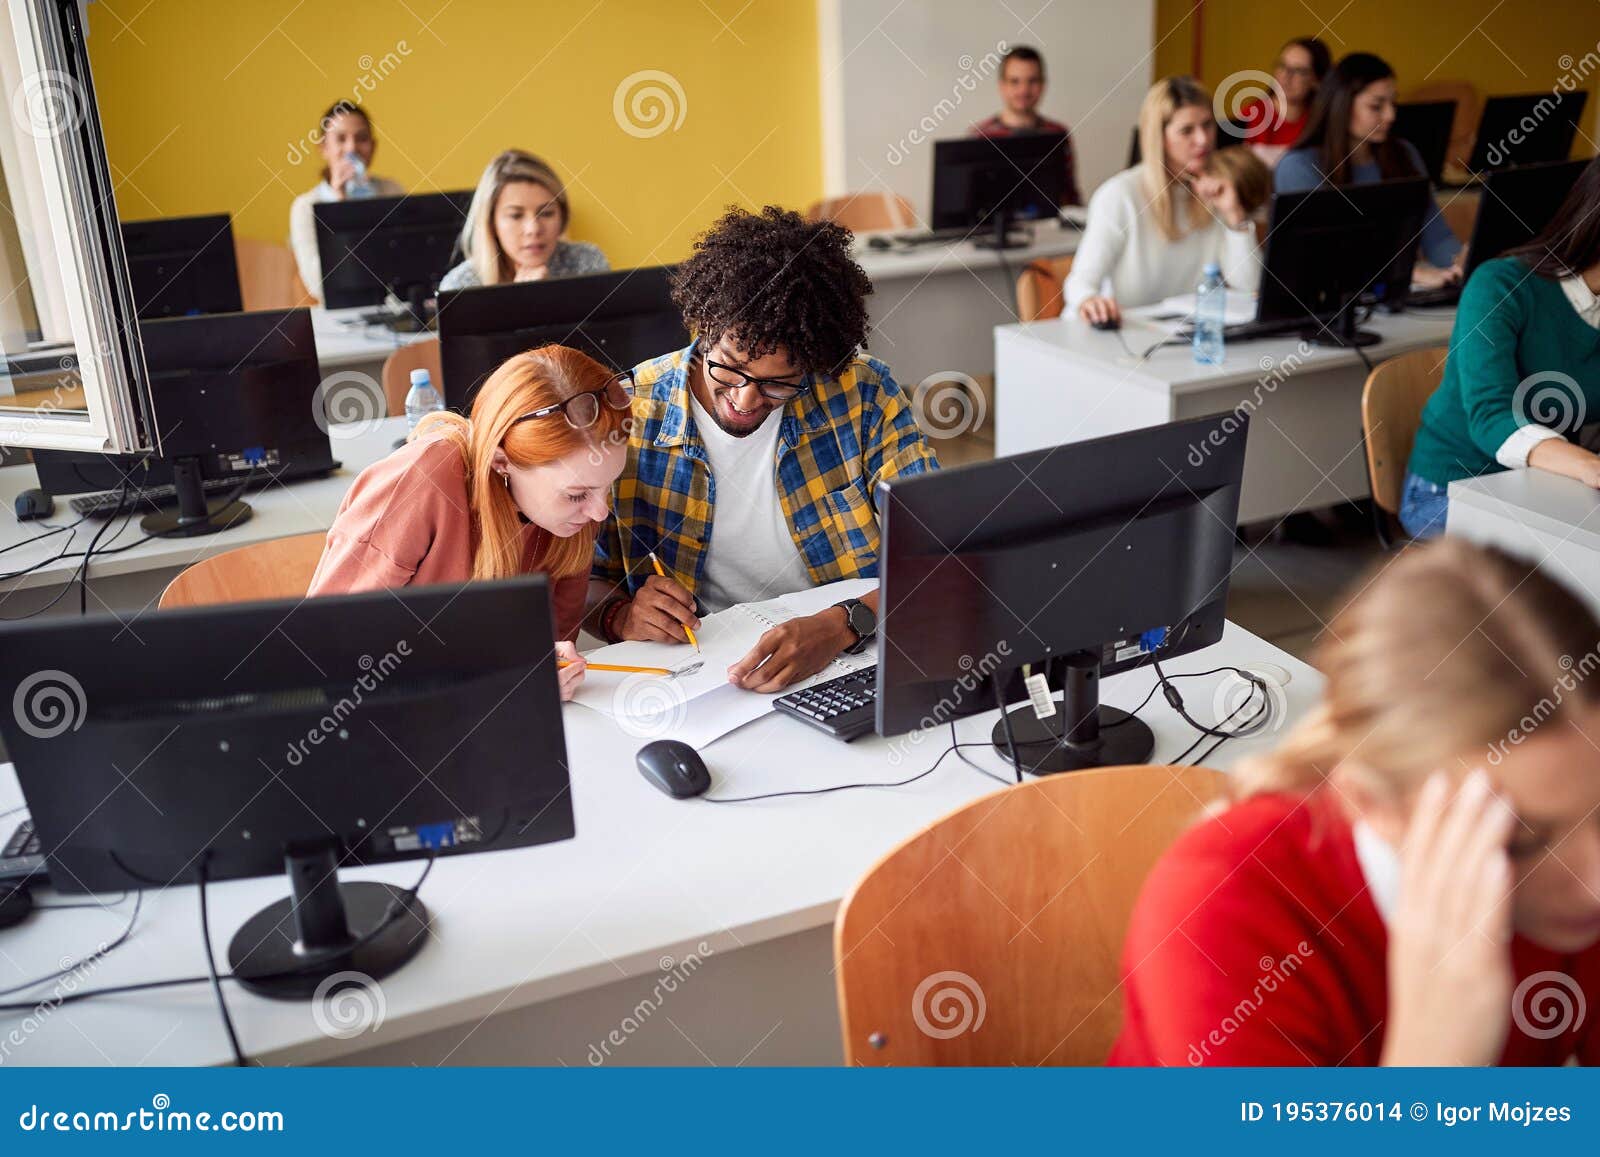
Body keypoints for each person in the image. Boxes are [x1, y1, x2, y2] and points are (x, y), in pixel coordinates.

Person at [1111, 538, 1600, 1066]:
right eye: (1522, 840)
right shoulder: (1220, 908)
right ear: (1370, 801)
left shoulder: (1567, 898)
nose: (1594, 882)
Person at [587, 206, 939, 692]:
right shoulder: (631, 411)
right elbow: (575, 583)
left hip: (852, 652)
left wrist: (843, 625)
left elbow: (942, 552)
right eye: (728, 368)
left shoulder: (861, 392)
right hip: (708, 671)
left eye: (779, 385)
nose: (745, 400)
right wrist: (619, 616)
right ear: (703, 326)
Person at [308, 345, 630, 701]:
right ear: (502, 462)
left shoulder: (574, 516)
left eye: (607, 485)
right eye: (577, 495)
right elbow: (328, 655)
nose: (600, 513)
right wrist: (496, 683)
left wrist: (546, 673)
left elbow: (552, 648)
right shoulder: (422, 480)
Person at [1399, 155, 1600, 539]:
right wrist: (1589, 465)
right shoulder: (1499, 286)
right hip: (1449, 490)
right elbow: (1492, 418)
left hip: (1549, 487)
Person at [1067, 77, 1268, 326]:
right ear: (1159, 137)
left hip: (1180, 336)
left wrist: (1235, 215)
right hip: (1121, 335)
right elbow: (1080, 284)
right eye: (1187, 131)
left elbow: (1249, 289)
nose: (1203, 140)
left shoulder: (1215, 191)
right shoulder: (1120, 195)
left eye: (1207, 125)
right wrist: (1090, 300)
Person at [1275, 52, 1462, 287]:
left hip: (1396, 300)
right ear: (1341, 106)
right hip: (1329, 305)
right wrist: (1411, 273)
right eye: (1376, 106)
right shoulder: (1299, 167)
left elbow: (1437, 236)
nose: (1391, 115)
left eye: (1393, 103)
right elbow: (1329, 255)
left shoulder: (1405, 154)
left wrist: (1461, 263)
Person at [438, 150, 609, 291]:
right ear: (491, 223)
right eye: (516, 216)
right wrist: (520, 302)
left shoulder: (586, 262)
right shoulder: (461, 286)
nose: (533, 229)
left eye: (547, 213)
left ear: (562, 217)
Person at [288, 101, 405, 302]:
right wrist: (339, 203)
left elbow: (407, 259)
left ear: (373, 146)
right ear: (324, 148)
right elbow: (320, 284)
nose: (352, 148)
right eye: (341, 139)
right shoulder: (305, 207)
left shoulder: (391, 191)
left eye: (361, 138)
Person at [970, 45, 1082, 206]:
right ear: (1002, 86)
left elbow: (1070, 198)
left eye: (1032, 81)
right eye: (1015, 81)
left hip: (1050, 229)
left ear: (1043, 85)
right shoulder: (980, 136)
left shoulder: (1058, 134)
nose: (1024, 90)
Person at [1235, 36, 1331, 160]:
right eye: (1282, 66)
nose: (1286, 76)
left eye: (1299, 71)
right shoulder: (1249, 117)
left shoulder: (1322, 122)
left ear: (1317, 81)